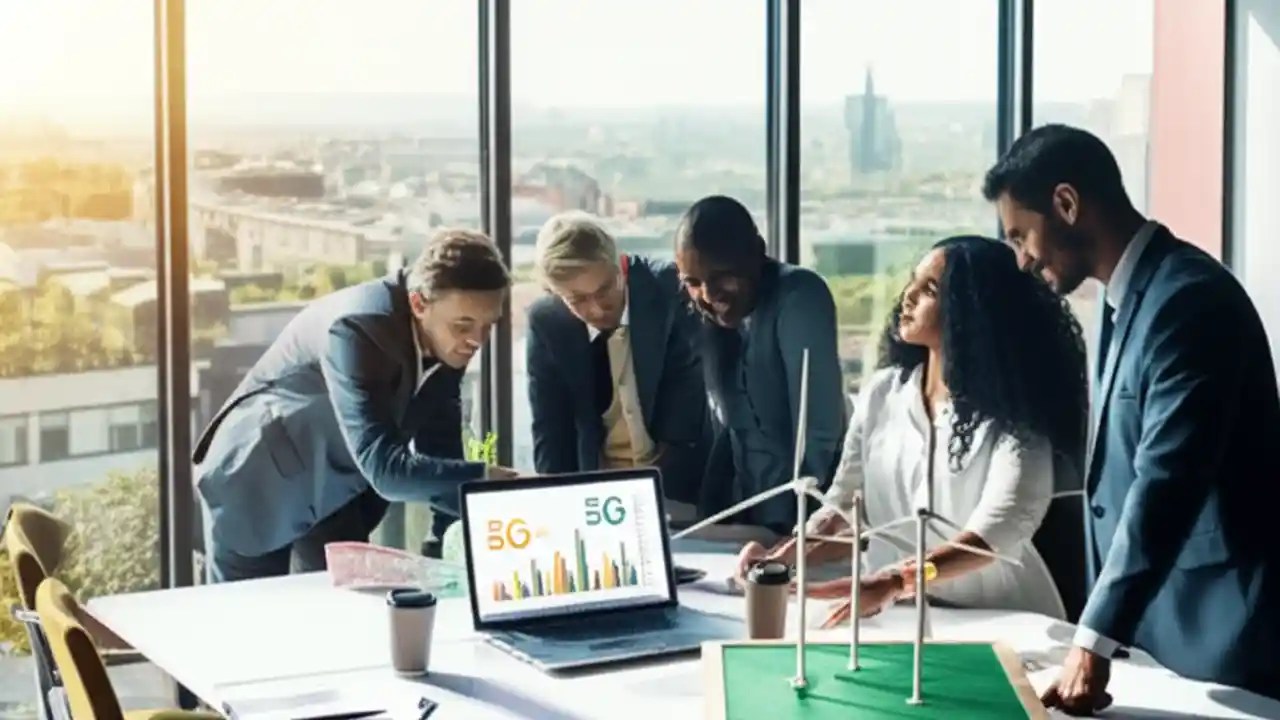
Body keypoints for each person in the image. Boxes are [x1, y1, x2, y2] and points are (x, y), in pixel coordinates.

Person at [985, 123, 1280, 709]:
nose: (1020, 261)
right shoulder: (1122, 300)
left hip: (1218, 632)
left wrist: (1093, 643)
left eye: (1021, 236)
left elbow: (1166, 483)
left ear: (1066, 204)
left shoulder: (1188, 301)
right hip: (1157, 634)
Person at [737, 236, 1088, 625]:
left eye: (930, 290)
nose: (908, 296)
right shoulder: (883, 393)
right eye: (913, 282)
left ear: (971, 312)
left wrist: (897, 580)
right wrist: (781, 558)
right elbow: (844, 511)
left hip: (1000, 620)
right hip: (899, 615)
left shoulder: (1017, 420)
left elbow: (993, 537)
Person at [193, 229, 519, 583]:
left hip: (335, 487)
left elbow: (440, 443)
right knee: (247, 625)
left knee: (340, 620)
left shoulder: (451, 336)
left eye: (488, 326)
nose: (477, 340)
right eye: (464, 325)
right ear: (419, 304)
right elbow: (387, 471)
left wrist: (445, 544)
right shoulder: (356, 328)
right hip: (259, 479)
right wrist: (484, 478)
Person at [674, 195, 845, 534]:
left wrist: (793, 534)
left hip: (802, 522)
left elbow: (817, 435)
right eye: (693, 282)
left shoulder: (799, 297)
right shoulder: (706, 317)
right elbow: (729, 434)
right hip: (742, 517)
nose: (707, 295)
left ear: (757, 253)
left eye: (722, 276)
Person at [526, 212, 709, 510]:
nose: (597, 309)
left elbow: (688, 406)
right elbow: (551, 429)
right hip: (599, 496)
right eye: (578, 300)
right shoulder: (547, 322)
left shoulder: (668, 291)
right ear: (556, 295)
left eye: (604, 290)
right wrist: (556, 506)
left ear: (621, 265)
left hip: (681, 486)